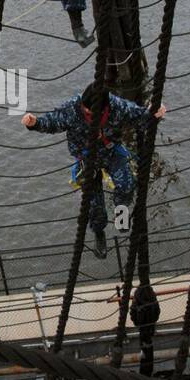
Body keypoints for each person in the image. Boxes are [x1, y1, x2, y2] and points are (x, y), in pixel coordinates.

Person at [21, 82, 166, 259]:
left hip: (111, 152)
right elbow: (53, 121)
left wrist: (154, 114)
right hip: (87, 159)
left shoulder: (117, 107)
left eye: (89, 112)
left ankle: (121, 212)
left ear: (104, 109)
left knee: (127, 185)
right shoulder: (73, 108)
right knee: (94, 203)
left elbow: (139, 117)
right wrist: (34, 123)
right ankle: (99, 232)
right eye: (84, 109)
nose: (85, 112)